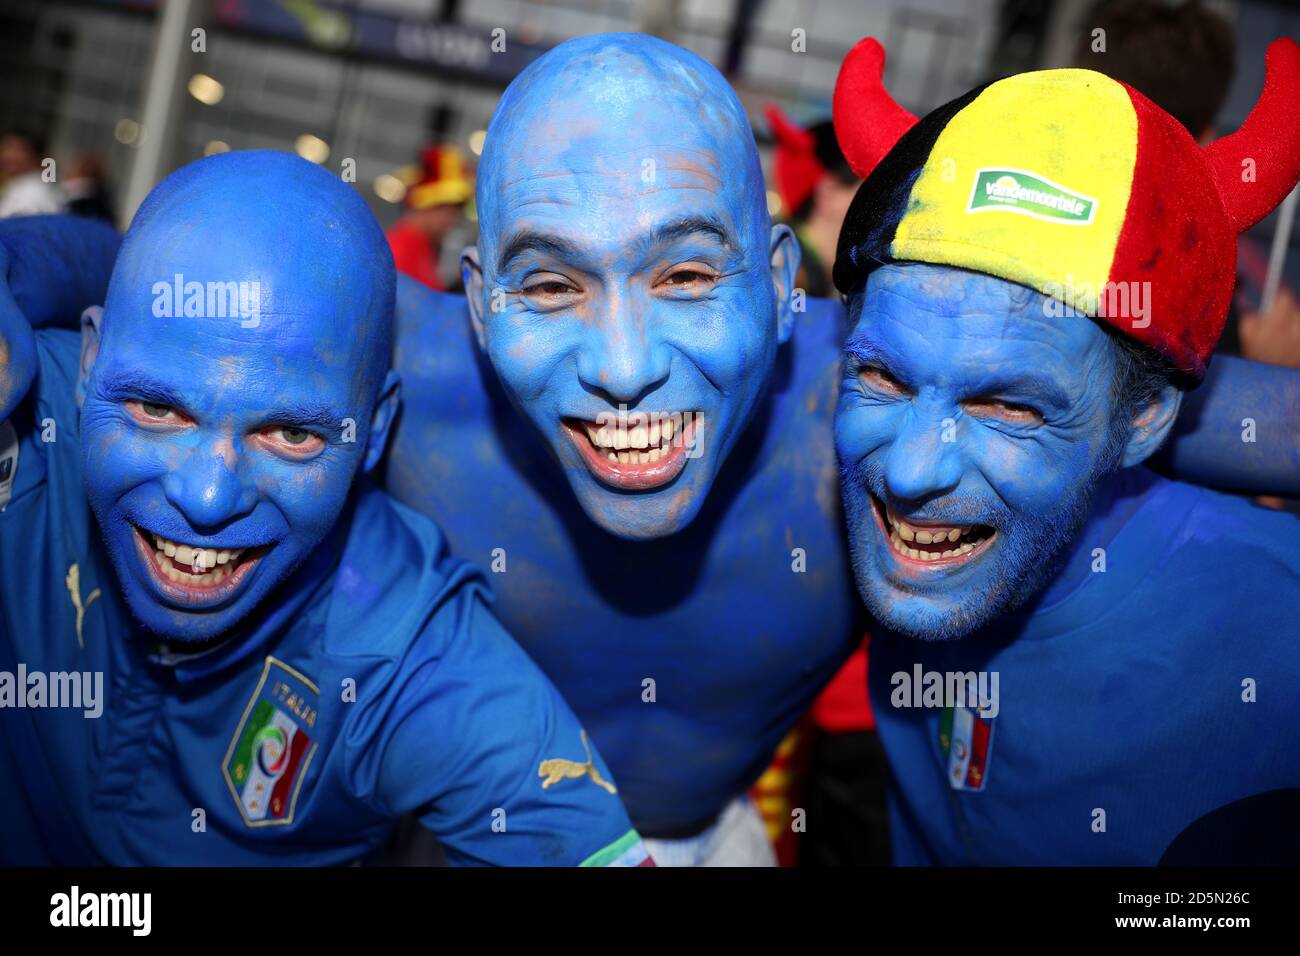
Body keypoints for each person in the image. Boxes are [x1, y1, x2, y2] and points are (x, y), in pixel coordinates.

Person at [4, 33, 1298, 867]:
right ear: (472, 299)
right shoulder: (387, 377)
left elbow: (1192, 404)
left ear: (785, 289)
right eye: (552, 286)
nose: (624, 364)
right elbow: (159, 279)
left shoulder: (885, 406)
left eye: (685, 272)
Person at [0, 151, 648, 866]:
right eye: (157, 408)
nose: (207, 498)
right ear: (89, 363)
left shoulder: (403, 655)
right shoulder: (28, 434)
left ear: (373, 432)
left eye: (291, 434)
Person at [831, 36, 1300, 863]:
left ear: (1147, 416)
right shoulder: (924, 554)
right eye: (885, 379)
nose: (909, 473)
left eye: (1007, 406)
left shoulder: (1276, 640)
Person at [386, 145, 471, 292]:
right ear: (427, 206)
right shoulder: (399, 252)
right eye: (449, 211)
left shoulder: (423, 249)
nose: (453, 221)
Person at [0, 133, 64, 218]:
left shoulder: (35, 191)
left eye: (20, 150)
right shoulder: (18, 185)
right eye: (7, 148)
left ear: (38, 155)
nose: (10, 156)